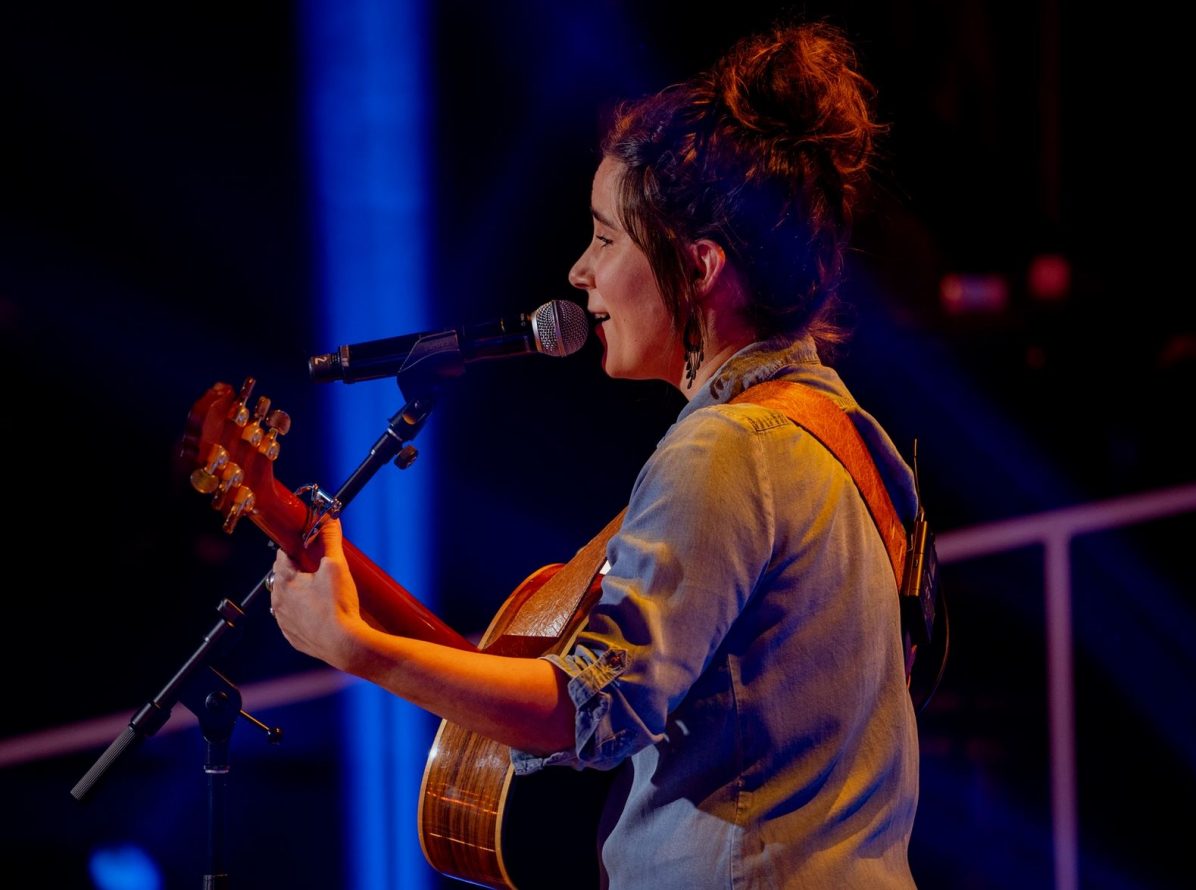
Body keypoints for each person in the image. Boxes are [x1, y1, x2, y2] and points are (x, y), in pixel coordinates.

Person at [269, 20, 920, 888]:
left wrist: (353, 646)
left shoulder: (724, 450)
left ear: (697, 267)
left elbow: (589, 708)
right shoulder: (853, 442)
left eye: (607, 238)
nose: (579, 271)